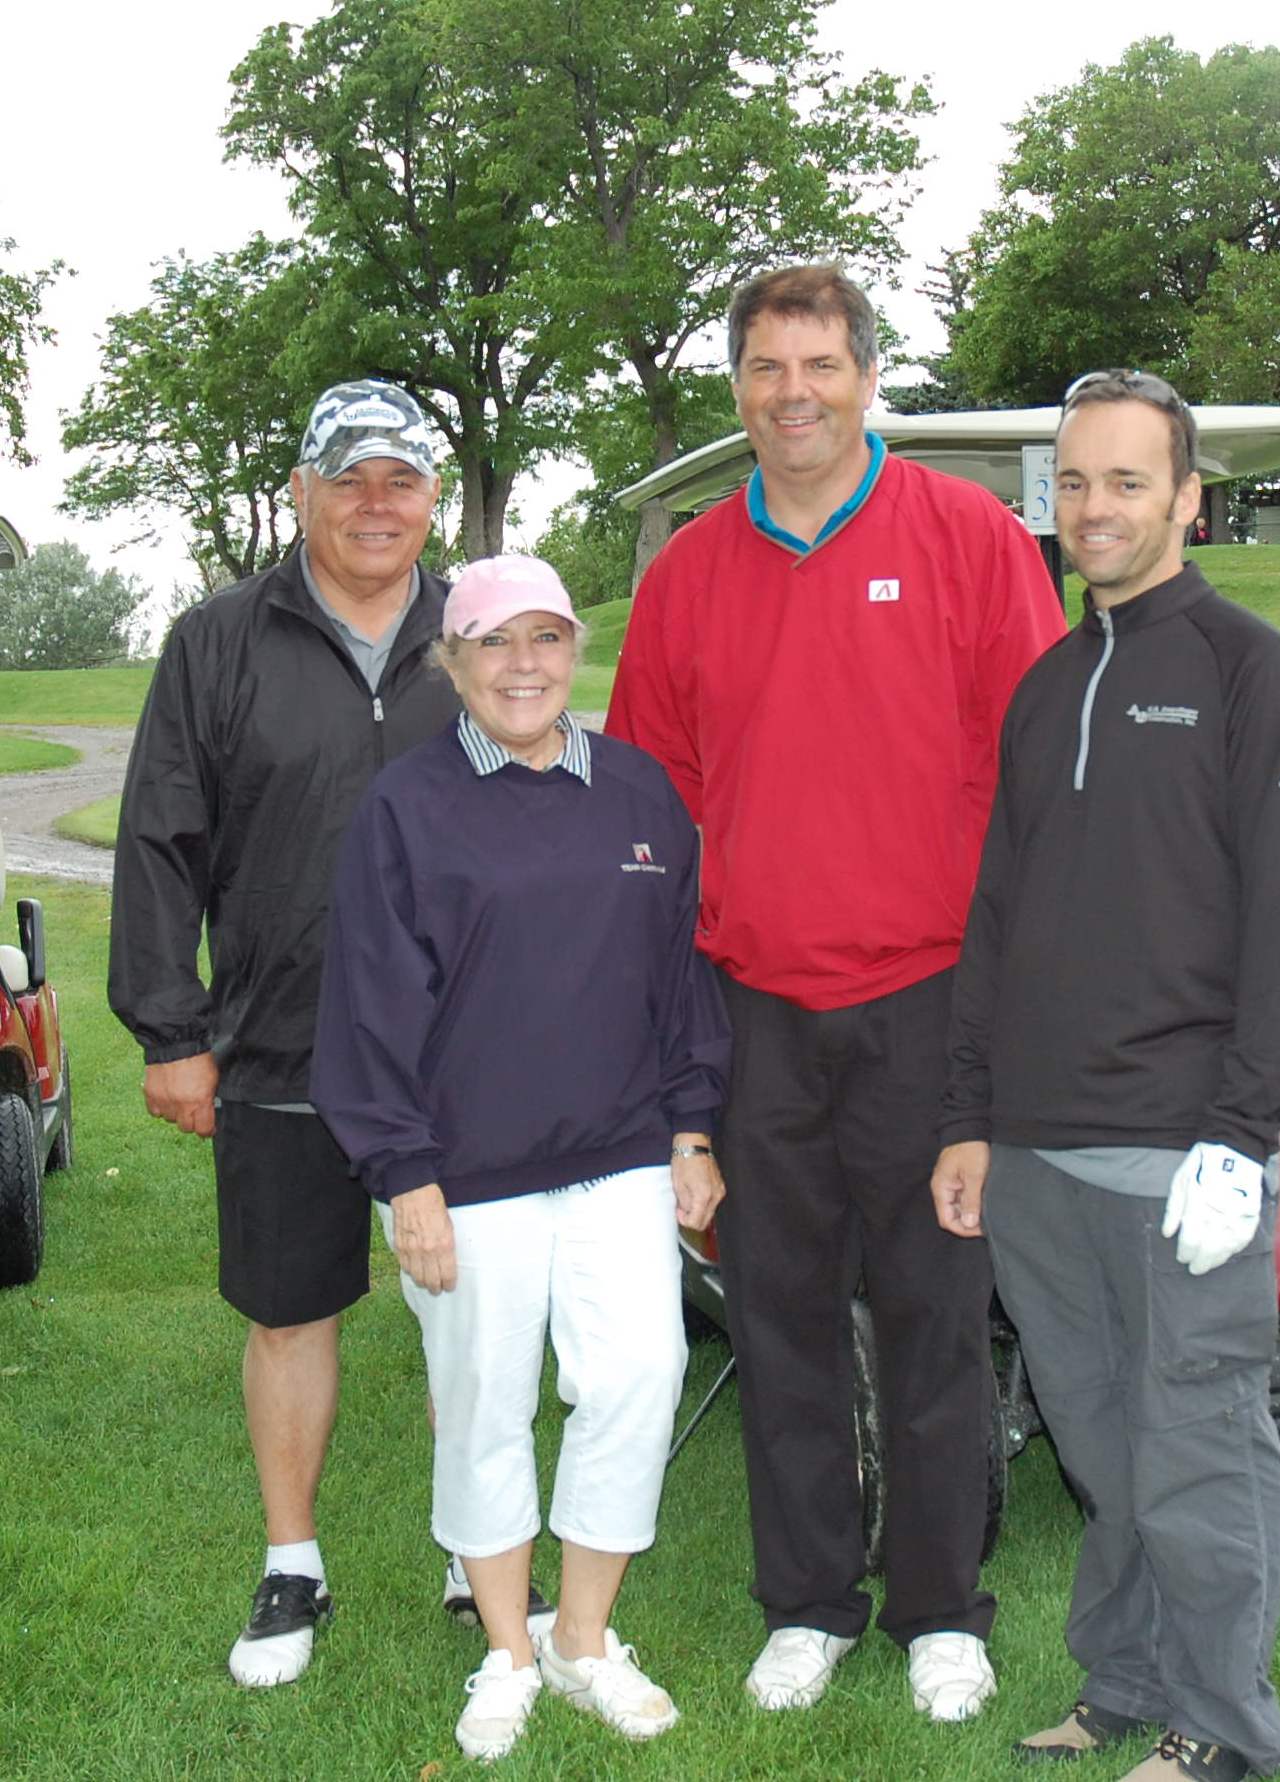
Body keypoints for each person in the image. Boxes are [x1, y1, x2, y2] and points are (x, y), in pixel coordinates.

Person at [606, 264, 1066, 1722]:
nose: (791, 392)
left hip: (931, 999)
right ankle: (806, 1602)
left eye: (818, 364)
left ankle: (940, 1609)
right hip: (752, 1011)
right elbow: (653, 814)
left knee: (935, 1310)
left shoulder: (966, 536)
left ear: (869, 378)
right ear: (738, 387)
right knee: (781, 1319)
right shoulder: (686, 574)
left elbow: (1036, 780)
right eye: (765, 367)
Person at [931, 369, 1280, 1781]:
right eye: (1073, 481)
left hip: (1181, 1148)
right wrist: (969, 1115)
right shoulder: (1047, 689)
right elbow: (996, 914)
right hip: (1039, 1148)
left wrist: (1242, 1128)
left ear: (1186, 498)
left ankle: (1220, 1728)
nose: (1093, 507)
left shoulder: (1248, 671)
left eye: (1125, 480)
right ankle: (1123, 1682)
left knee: (1196, 1445)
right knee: (1102, 1447)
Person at [310, 554, 729, 1759]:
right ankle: (505, 1647)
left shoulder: (639, 793)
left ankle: (582, 1638)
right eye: (493, 642)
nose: (522, 664)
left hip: (621, 1159)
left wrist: (692, 1127)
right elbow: (369, 1004)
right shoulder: (407, 805)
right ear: (452, 664)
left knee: (638, 1379)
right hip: (465, 1177)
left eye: (544, 637)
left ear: (574, 653)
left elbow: (681, 980)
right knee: (484, 1403)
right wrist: (405, 1175)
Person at [108, 379, 470, 1688]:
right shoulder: (218, 640)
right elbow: (160, 837)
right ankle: (292, 1561)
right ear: (303, 491)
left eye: (400, 479)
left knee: (466, 1313)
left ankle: (475, 1544)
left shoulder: (478, 631)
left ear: (432, 495)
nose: (376, 503)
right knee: (288, 1310)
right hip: (279, 1041)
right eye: (348, 479)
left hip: (456, 1054)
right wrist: (170, 1027)